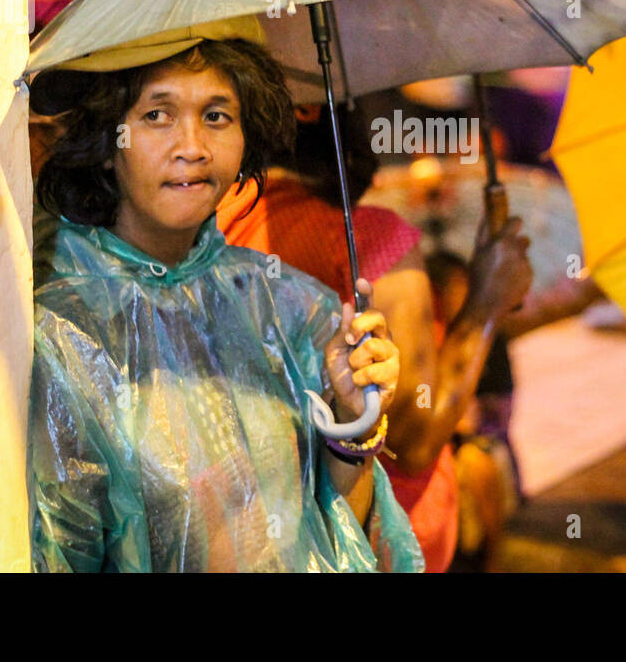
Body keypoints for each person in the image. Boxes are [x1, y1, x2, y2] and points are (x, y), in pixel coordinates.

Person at [28, 38, 423, 572]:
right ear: (106, 141)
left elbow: (343, 538)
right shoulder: (63, 337)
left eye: (216, 116)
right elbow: (57, 552)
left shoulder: (292, 308)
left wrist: (353, 421)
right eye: (157, 115)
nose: (192, 146)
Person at [215, 103, 533, 571]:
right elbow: (413, 434)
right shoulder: (365, 237)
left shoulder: (213, 230)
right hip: (370, 540)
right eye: (350, 109)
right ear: (306, 113)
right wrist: (487, 303)